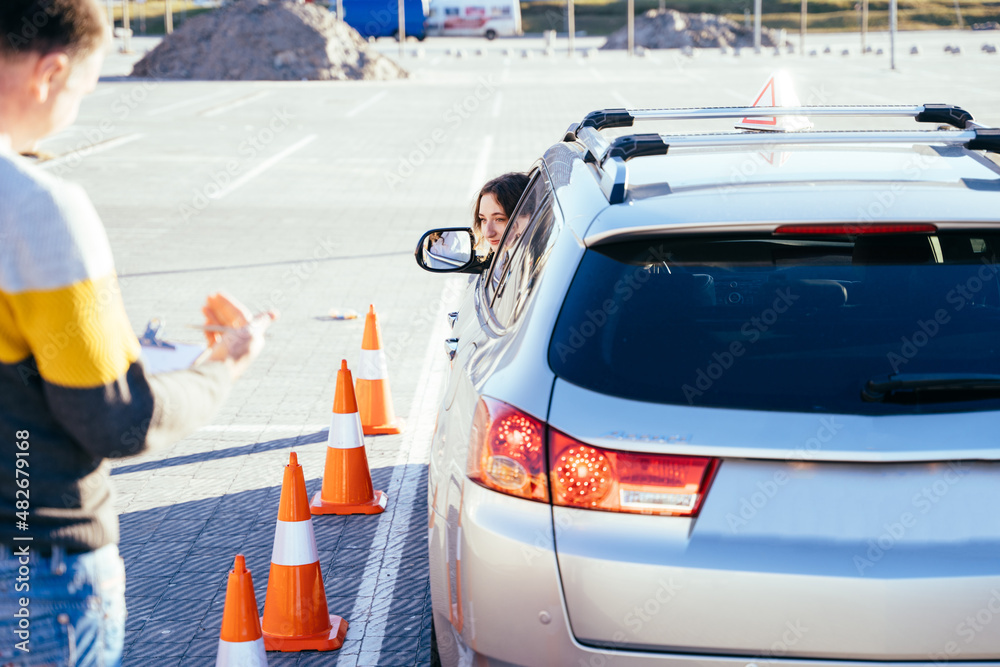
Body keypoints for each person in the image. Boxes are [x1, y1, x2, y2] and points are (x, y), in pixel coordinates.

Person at [0, 1, 274, 665]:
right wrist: (222, 364)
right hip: (35, 573)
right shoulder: (37, 210)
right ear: (51, 70)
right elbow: (116, 419)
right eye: (86, 87)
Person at [471, 172, 530, 263]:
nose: (488, 233)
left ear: (528, 217)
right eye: (483, 219)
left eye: (499, 219)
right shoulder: (506, 258)